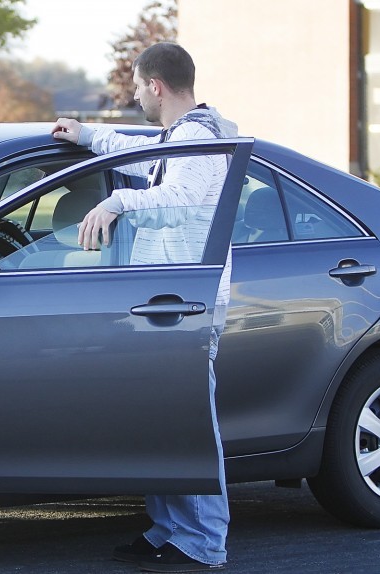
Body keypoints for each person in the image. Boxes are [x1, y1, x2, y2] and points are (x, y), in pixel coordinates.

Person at [52, 42, 238, 573]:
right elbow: (144, 155)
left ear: (156, 85)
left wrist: (118, 202)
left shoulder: (200, 140)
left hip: (187, 306)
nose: (134, 96)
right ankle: (170, 530)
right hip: (167, 301)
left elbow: (178, 203)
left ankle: (203, 542)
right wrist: (89, 136)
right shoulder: (181, 136)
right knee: (163, 421)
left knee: (187, 425)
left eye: (137, 87)